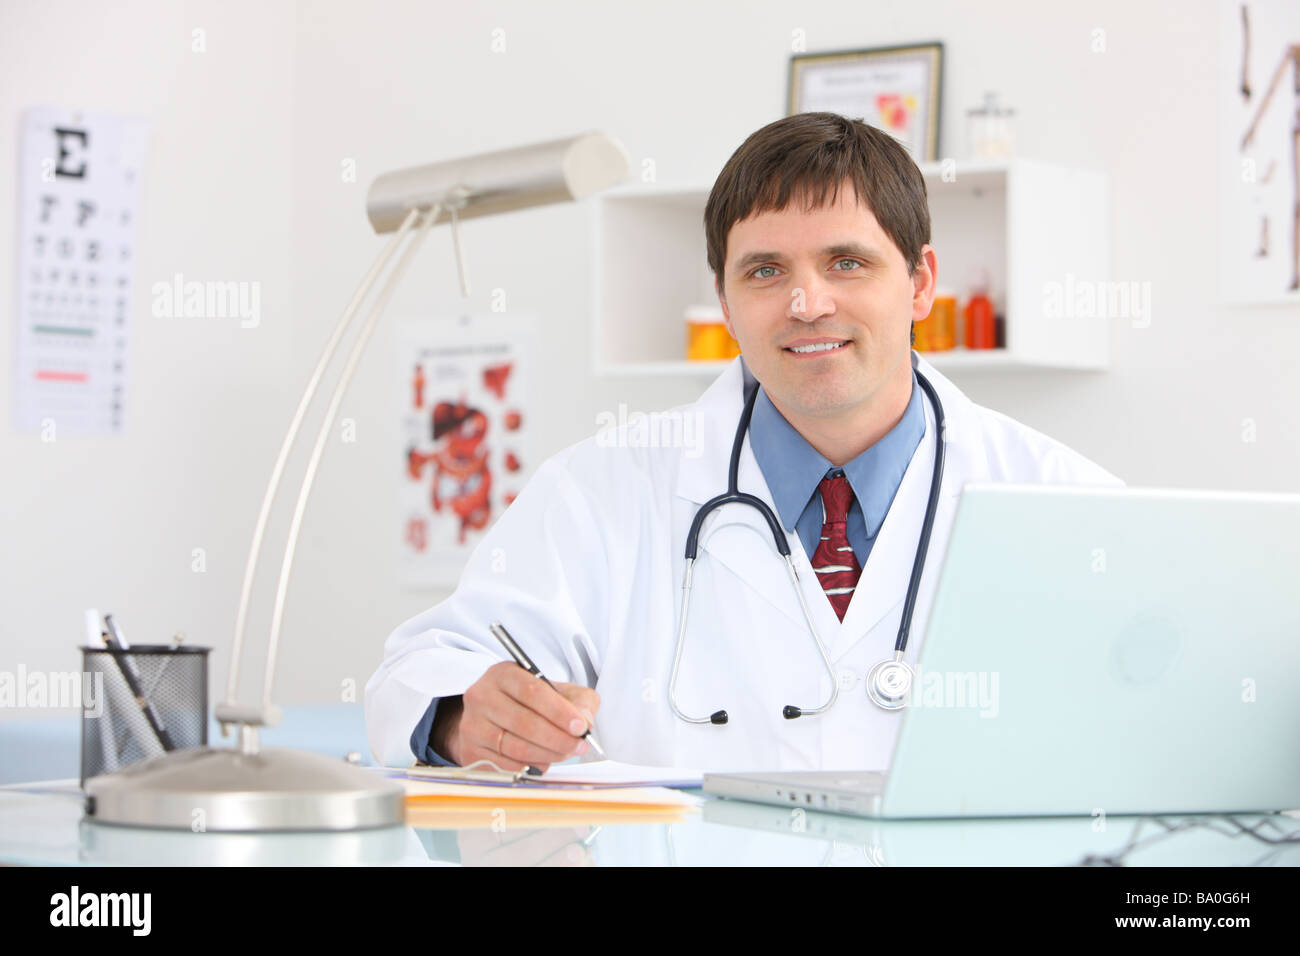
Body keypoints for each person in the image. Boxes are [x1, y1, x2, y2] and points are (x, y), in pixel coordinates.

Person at [365, 112, 1123, 773]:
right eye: (765, 271)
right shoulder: (597, 493)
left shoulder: (1066, 503)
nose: (806, 304)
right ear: (725, 303)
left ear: (921, 282)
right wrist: (466, 718)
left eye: (847, 263)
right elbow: (419, 675)